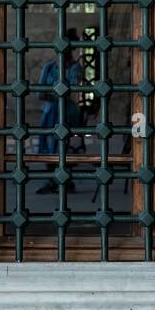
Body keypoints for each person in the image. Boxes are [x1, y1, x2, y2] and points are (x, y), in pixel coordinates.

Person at [36, 29, 86, 193]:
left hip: (67, 111)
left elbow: (73, 88)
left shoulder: (75, 68)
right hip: (50, 111)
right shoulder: (49, 67)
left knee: (64, 146)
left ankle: (64, 180)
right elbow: (40, 93)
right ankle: (52, 180)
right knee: (50, 146)